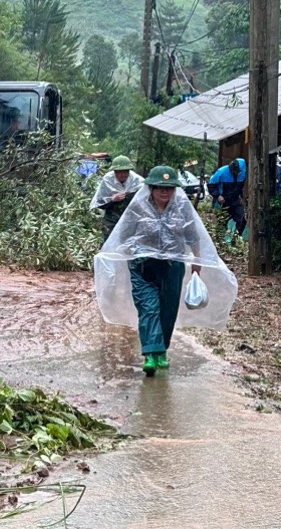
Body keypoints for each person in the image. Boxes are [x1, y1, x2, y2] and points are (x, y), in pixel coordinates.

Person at [93, 165, 238, 377]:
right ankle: (150, 355)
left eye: (169, 188)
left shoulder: (182, 207)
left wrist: (197, 264)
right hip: (143, 266)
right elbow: (122, 236)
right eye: (160, 187)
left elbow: (193, 237)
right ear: (150, 188)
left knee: (168, 310)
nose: (165, 192)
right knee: (148, 307)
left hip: (172, 267)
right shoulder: (137, 208)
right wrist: (132, 252)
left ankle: (161, 350)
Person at [88, 155, 143, 244]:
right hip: (111, 220)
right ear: (114, 172)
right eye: (119, 172)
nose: (123, 175)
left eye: (125, 171)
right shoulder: (108, 180)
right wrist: (113, 199)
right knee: (108, 244)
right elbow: (100, 203)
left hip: (131, 220)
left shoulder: (137, 181)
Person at [207, 156, 246, 235]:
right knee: (224, 220)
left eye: (239, 172)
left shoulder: (242, 173)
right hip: (223, 200)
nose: (237, 173)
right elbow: (211, 185)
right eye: (236, 171)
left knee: (240, 217)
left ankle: (237, 236)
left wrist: (241, 196)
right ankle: (222, 237)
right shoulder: (221, 172)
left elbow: (240, 187)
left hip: (235, 199)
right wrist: (218, 196)